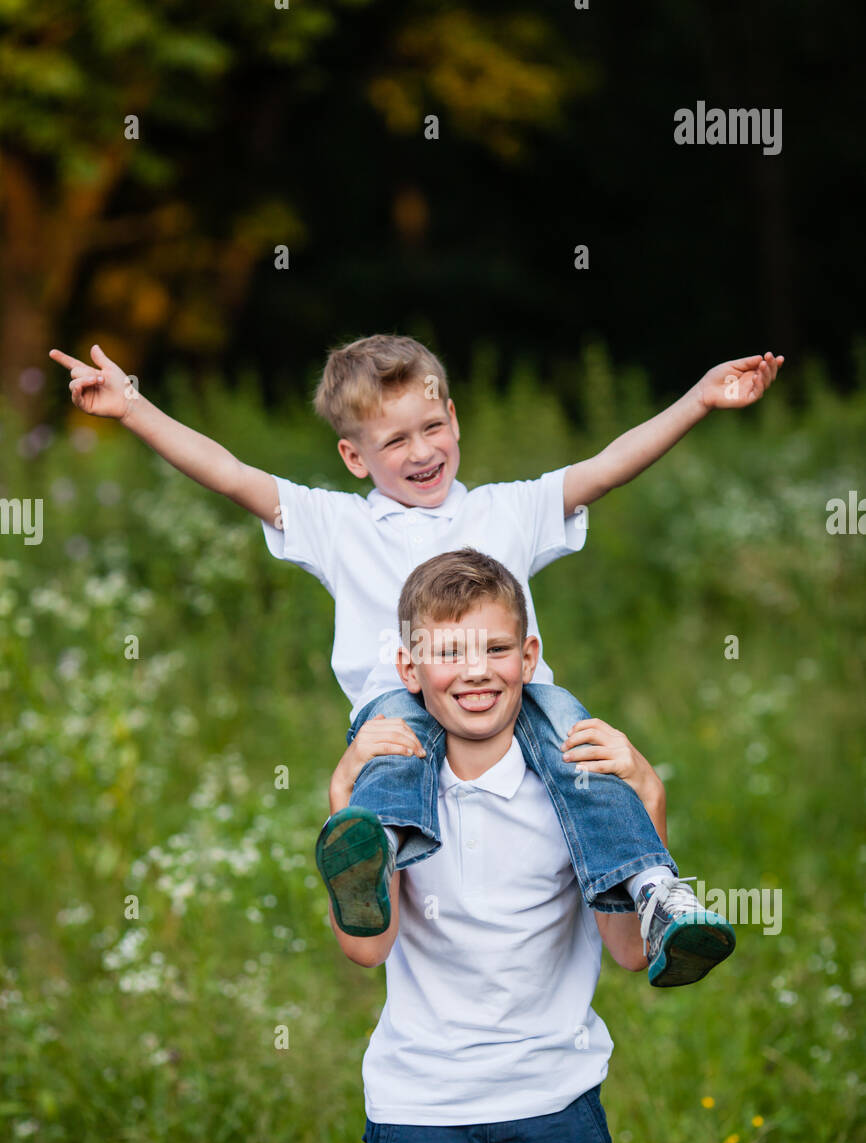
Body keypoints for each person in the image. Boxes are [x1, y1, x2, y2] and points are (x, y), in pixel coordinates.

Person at [49, 333, 783, 979]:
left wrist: (698, 400)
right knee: (393, 756)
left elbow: (609, 466)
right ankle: (370, 860)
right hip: (399, 700)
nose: (422, 452)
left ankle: (654, 893)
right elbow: (229, 472)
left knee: (583, 753)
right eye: (394, 441)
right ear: (354, 456)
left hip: (516, 693)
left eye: (432, 427)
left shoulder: (506, 510)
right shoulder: (337, 524)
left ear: (454, 418)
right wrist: (133, 408)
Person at [325, 549, 677, 1143]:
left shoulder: (575, 790)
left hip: (552, 1107)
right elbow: (365, 948)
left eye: (494, 649)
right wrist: (341, 804)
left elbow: (627, 952)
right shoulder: (391, 792)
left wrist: (646, 792)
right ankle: (359, 850)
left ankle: (662, 889)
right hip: (421, 1110)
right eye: (449, 653)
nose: (476, 671)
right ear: (409, 670)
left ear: (530, 657)